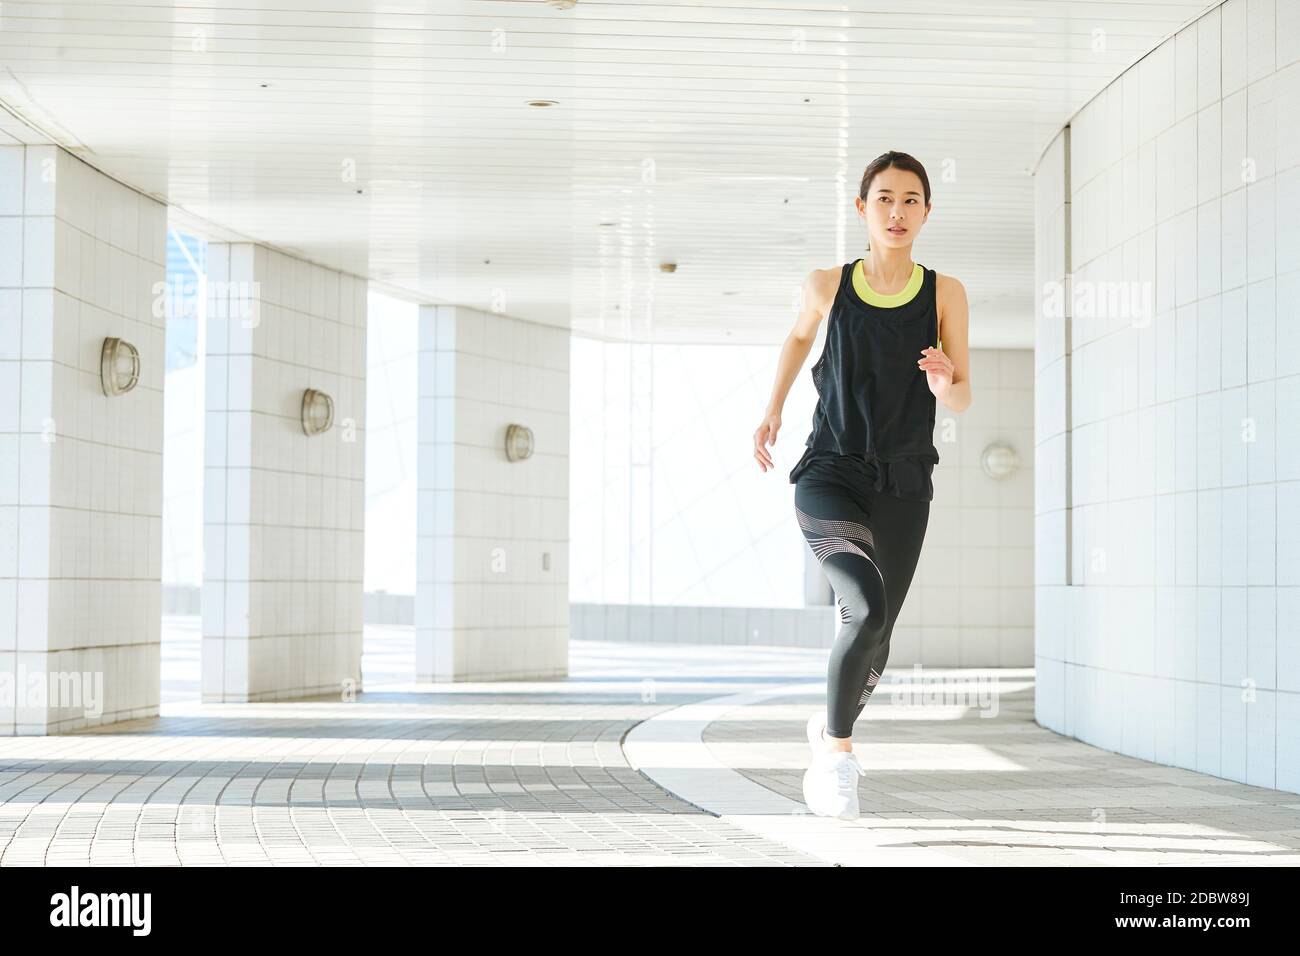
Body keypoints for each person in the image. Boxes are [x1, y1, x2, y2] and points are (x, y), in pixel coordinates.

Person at [753, 151, 972, 821]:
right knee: (865, 610)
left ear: (927, 211)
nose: (897, 211)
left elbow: (961, 396)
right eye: (884, 198)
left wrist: (942, 382)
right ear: (862, 209)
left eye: (910, 199)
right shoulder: (827, 284)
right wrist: (772, 408)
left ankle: (827, 728)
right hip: (830, 471)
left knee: (881, 633)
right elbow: (796, 340)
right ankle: (837, 758)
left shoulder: (944, 293)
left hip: (905, 480)